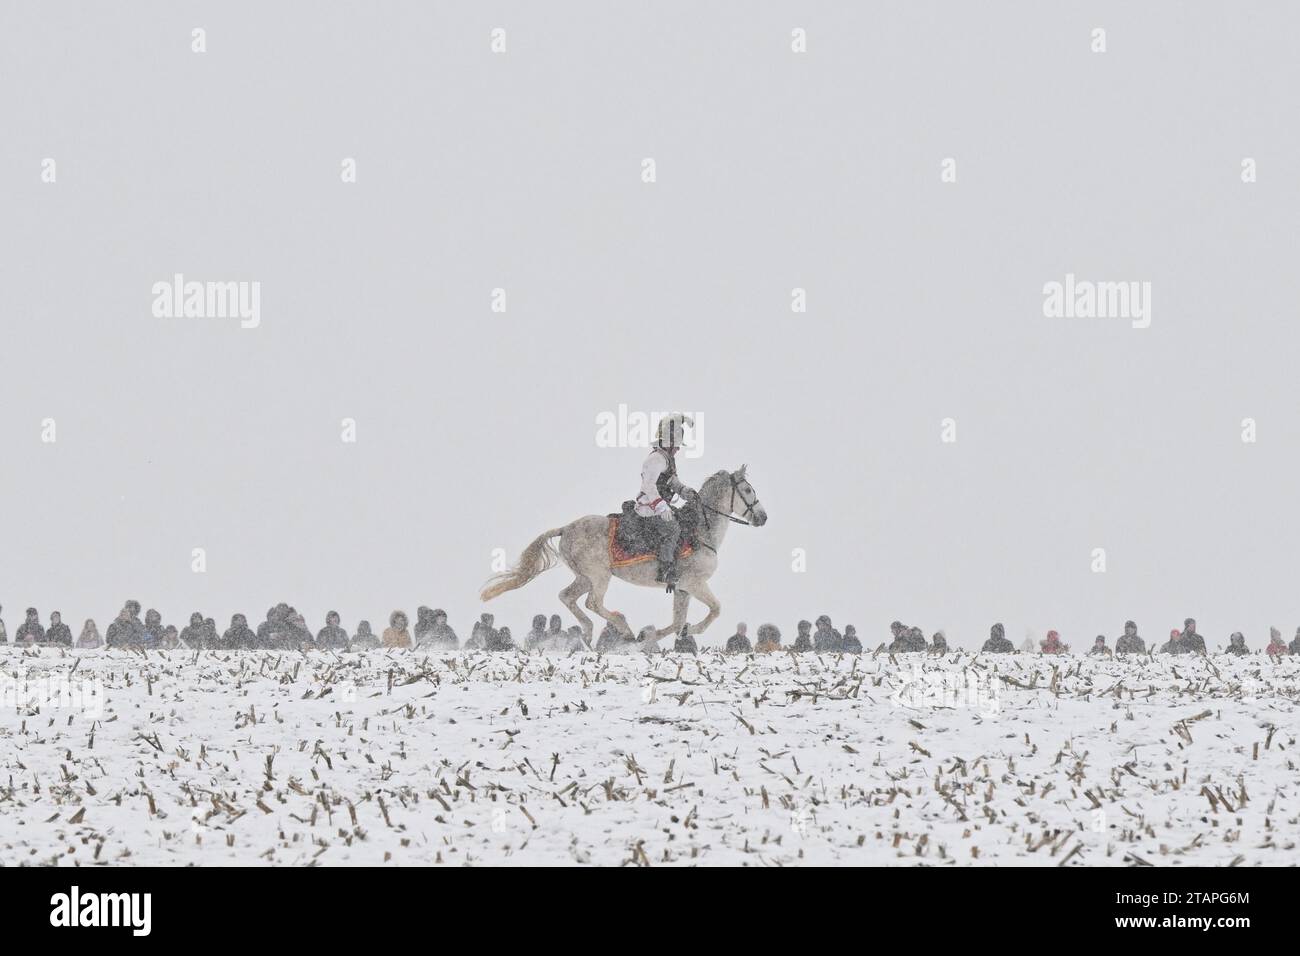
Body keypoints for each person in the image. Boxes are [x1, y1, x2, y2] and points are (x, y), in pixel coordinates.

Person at [634, 413, 697, 588]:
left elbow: (672, 482)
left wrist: (686, 491)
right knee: (672, 530)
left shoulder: (668, 459)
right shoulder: (656, 459)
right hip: (649, 507)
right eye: (677, 445)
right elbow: (649, 485)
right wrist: (661, 506)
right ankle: (666, 570)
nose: (678, 449)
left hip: (662, 507)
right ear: (669, 443)